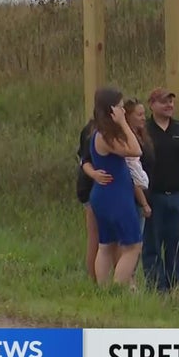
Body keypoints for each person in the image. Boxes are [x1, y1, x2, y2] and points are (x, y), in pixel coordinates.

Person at [139, 87, 179, 293]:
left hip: (176, 196)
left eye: (171, 101)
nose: (169, 105)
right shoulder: (143, 130)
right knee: (152, 243)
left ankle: (176, 284)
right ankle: (157, 287)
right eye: (164, 101)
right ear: (152, 105)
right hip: (152, 196)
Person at [86, 86, 145, 289]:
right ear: (111, 110)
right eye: (119, 107)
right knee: (133, 245)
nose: (122, 111)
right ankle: (118, 289)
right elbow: (136, 150)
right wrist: (123, 123)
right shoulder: (105, 135)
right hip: (115, 196)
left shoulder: (99, 133)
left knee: (107, 244)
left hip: (105, 193)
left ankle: (103, 290)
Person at [77, 117, 114, 281]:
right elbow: (84, 160)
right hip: (94, 187)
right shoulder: (96, 131)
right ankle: (95, 279)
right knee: (97, 237)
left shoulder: (94, 129)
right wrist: (93, 174)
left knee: (103, 238)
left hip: (99, 187)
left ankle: (100, 278)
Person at [123, 98, 154, 248]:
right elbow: (132, 173)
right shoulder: (127, 139)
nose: (143, 118)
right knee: (133, 245)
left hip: (146, 192)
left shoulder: (143, 136)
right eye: (139, 114)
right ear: (128, 116)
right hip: (134, 198)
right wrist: (144, 202)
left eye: (144, 114)